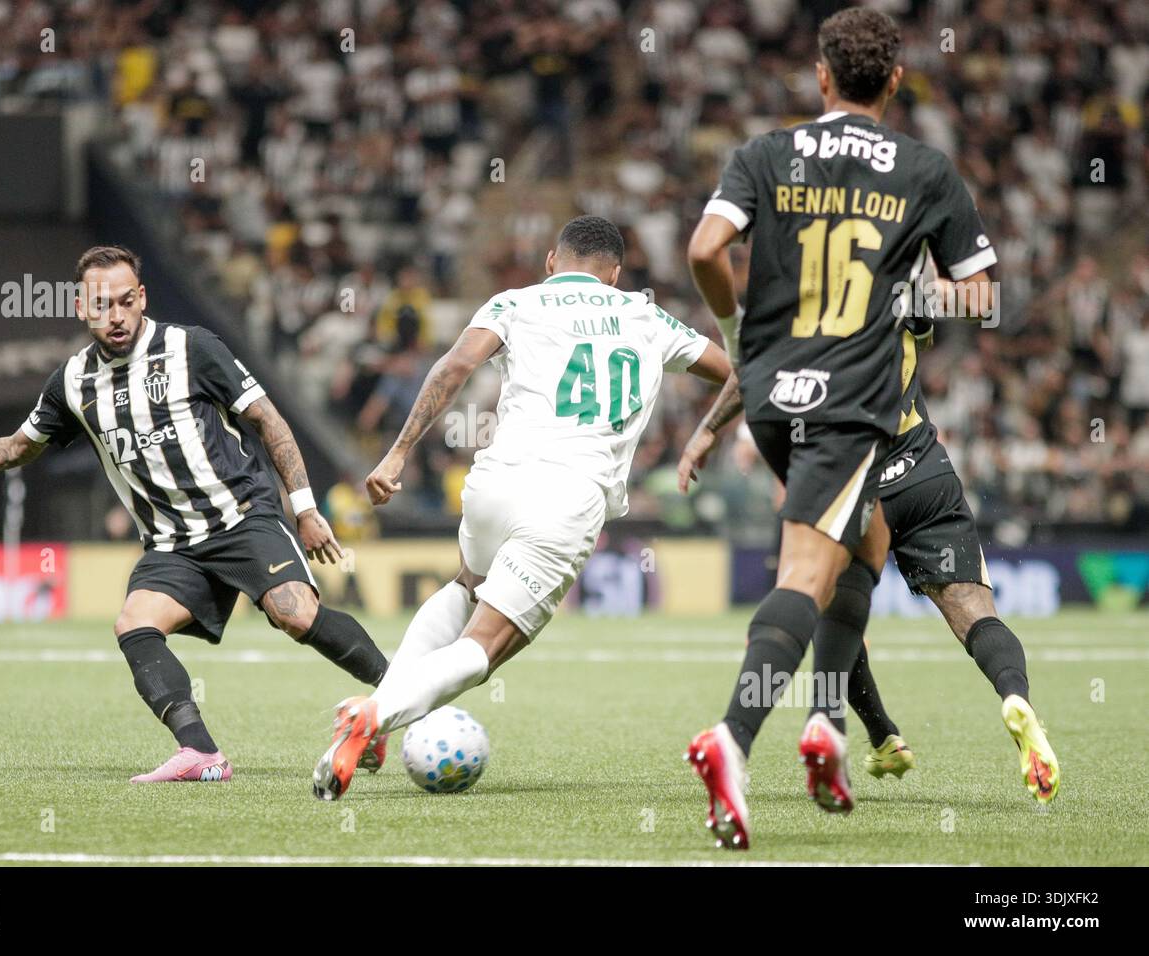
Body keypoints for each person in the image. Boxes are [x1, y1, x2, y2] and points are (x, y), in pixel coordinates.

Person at [0, 245, 388, 783]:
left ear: (141, 298)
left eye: (124, 301)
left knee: (294, 613)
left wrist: (303, 506)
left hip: (242, 516)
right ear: (80, 307)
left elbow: (268, 420)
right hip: (171, 544)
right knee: (134, 623)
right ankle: (202, 754)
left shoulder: (192, 348)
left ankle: (403, 698)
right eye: (101, 304)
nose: (114, 316)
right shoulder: (72, 383)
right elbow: (14, 449)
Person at [682, 7, 1007, 850]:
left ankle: (829, 727)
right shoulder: (925, 170)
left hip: (771, 398)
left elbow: (706, 250)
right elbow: (981, 292)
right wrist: (903, 297)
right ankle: (737, 738)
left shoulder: (764, 152)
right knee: (803, 575)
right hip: (850, 404)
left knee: (854, 551)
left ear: (821, 76)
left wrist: (735, 333)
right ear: (896, 80)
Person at [310, 215, 732, 800]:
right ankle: (375, 716)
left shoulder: (516, 303)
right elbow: (736, 373)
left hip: (494, 482)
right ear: (615, 274)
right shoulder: (646, 315)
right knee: (484, 647)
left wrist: (397, 455)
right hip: (567, 498)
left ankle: (379, 717)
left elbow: (454, 365)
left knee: (465, 586)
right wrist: (711, 431)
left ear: (552, 262)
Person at [678, 278, 1060, 803]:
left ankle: (821, 721)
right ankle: (1010, 699)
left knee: (827, 601)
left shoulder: (807, 295)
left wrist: (709, 430)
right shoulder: (904, 288)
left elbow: (753, 374)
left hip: (854, 476)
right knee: (975, 610)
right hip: (925, 471)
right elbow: (976, 298)